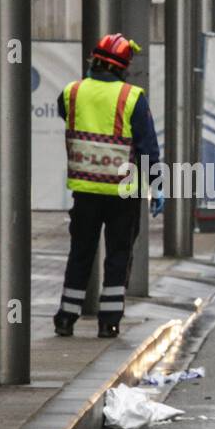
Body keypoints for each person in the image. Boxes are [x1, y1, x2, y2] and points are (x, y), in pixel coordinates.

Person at [54, 33, 162, 339]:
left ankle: (66, 317)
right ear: (123, 67)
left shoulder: (72, 92)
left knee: (80, 253)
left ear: (95, 60)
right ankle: (109, 321)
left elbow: (66, 114)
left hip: (85, 191)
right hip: (122, 194)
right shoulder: (132, 97)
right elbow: (147, 148)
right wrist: (157, 186)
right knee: (118, 255)